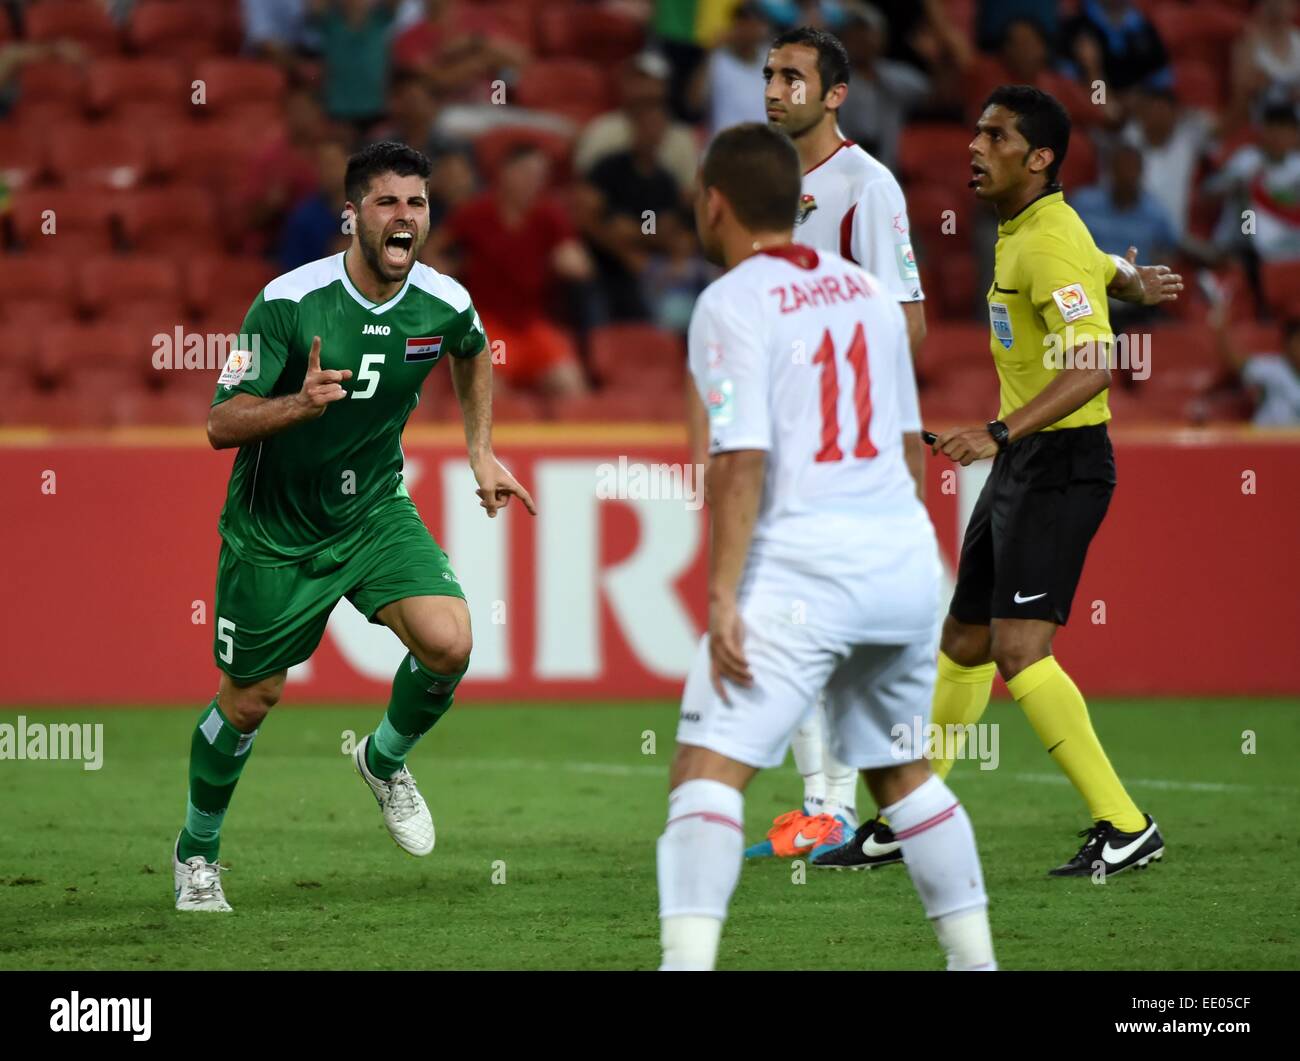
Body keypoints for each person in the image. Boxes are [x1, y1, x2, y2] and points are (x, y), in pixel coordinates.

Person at [657, 122, 995, 972]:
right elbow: (910, 442)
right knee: (903, 775)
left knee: (704, 769)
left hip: (811, 564)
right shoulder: (868, 295)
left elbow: (739, 458)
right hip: (903, 559)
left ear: (714, 202)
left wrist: (723, 595)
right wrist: (912, 549)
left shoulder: (729, 302)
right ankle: (976, 962)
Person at [173, 141, 536, 912]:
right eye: (387, 203)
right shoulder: (288, 302)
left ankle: (383, 759)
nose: (405, 217)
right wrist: (296, 404)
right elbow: (219, 421)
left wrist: (481, 451)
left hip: (372, 509)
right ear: (352, 215)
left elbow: (472, 353)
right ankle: (197, 854)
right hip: (275, 530)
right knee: (249, 699)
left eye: (417, 204)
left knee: (450, 640)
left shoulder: (444, 302)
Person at [916, 85, 1179, 877]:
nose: (973, 145)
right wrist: (1132, 284)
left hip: (1060, 464)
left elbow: (1094, 366)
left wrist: (996, 432)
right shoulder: (1029, 228)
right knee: (964, 636)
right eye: (975, 130)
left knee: (1020, 648)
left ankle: (1126, 824)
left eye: (995, 136)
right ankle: (915, 813)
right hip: (1025, 466)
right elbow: (1095, 268)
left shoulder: (1045, 239)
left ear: (1039, 159)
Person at [690, 26, 930, 868]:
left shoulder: (869, 187)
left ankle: (835, 807)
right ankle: (826, 805)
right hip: (776, 442)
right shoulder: (771, 189)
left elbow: (907, 317)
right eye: (767, 74)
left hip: (834, 451)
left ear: (836, 94)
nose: (773, 88)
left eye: (793, 76)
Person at [435, 143, 594, 398]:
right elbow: (434, 251)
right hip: (489, 324)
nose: (533, 181)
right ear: (505, 174)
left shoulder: (549, 215)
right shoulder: (476, 212)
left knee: (571, 385)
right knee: (487, 389)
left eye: (540, 176)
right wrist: (447, 271)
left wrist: (568, 260)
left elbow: (579, 264)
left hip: (532, 324)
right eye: (527, 173)